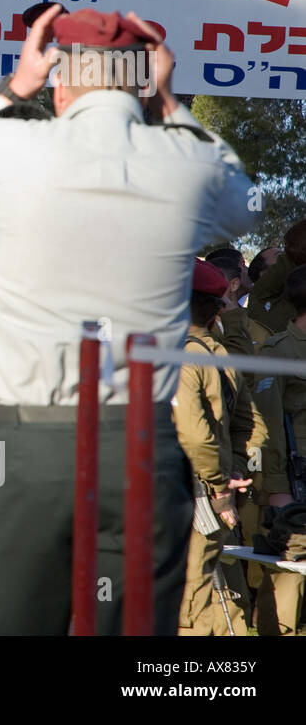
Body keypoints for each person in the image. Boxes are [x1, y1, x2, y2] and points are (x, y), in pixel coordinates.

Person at [0, 5, 259, 634]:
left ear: (59, 82)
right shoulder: (182, 162)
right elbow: (245, 204)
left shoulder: (16, 144)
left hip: (34, 443)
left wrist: (10, 91)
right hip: (144, 444)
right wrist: (170, 104)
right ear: (143, 82)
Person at [173, 260, 251, 635]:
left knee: (195, 595)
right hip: (204, 485)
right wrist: (229, 473)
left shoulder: (178, 355)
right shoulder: (215, 354)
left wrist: (220, 483)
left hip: (191, 488)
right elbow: (245, 425)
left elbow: (197, 434)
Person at [249, 263, 306, 636]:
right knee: (289, 577)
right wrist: (276, 487)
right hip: (296, 475)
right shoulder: (279, 351)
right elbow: (267, 424)